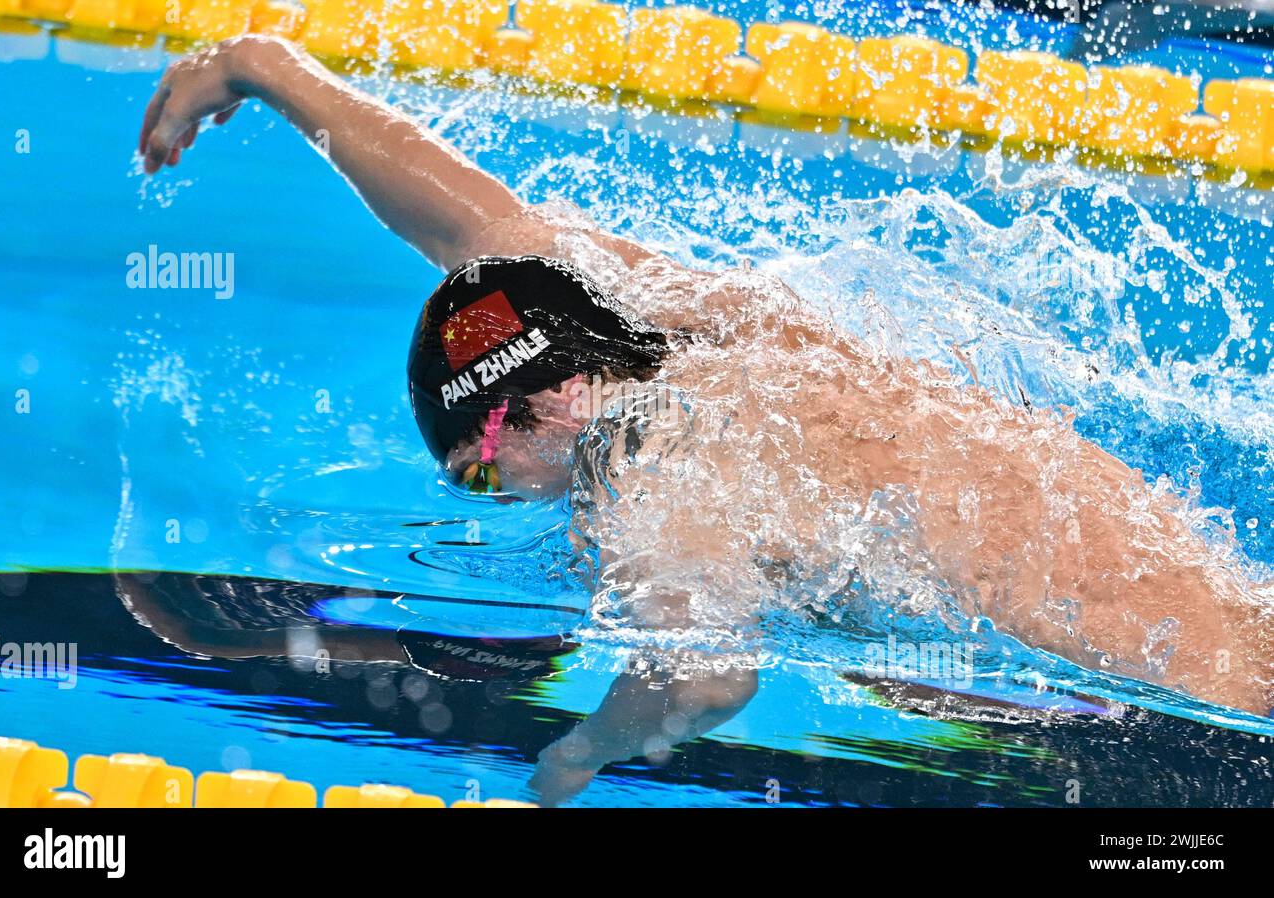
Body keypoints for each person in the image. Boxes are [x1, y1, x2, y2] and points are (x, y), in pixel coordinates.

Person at [139, 35, 1273, 803]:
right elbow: (488, 240)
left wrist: (578, 750)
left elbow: (709, 677)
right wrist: (265, 69)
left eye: (481, 471)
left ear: (539, 407)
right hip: (1186, 579)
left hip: (1201, 713)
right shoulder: (685, 322)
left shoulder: (654, 475)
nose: (501, 495)